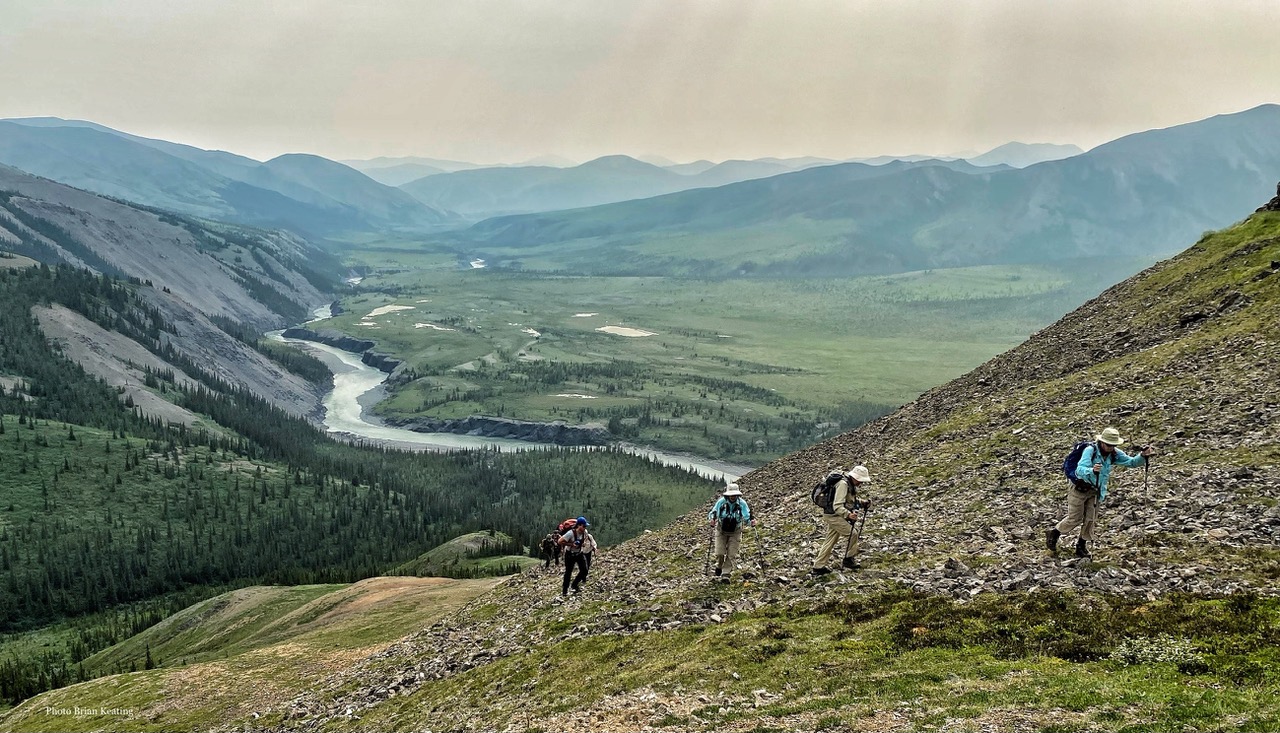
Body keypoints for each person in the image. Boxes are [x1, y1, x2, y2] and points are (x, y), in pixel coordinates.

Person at [1047, 427, 1155, 558]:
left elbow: (1130, 462)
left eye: (1113, 445)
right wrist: (1091, 470)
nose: (1111, 447)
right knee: (1075, 518)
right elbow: (1080, 469)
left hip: (1096, 490)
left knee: (1090, 519)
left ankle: (1081, 546)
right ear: (1102, 442)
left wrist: (1142, 456)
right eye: (1109, 445)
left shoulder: (1114, 453)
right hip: (1079, 488)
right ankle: (1055, 533)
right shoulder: (1089, 450)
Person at [811, 465, 871, 575]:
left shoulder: (848, 483)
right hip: (834, 516)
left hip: (831, 514)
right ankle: (849, 559)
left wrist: (862, 502)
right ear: (856, 478)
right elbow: (837, 506)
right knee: (853, 533)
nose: (861, 483)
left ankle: (818, 567)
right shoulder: (843, 484)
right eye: (860, 480)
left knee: (830, 540)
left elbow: (849, 500)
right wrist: (848, 515)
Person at [706, 483, 753, 577]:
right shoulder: (721, 502)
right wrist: (712, 519)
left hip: (736, 531)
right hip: (721, 530)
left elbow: (747, 516)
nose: (733, 497)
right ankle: (719, 566)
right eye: (731, 495)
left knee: (732, 554)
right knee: (719, 553)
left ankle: (726, 573)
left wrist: (751, 522)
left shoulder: (742, 503)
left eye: (735, 495)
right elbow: (713, 512)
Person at [557, 516, 596, 595]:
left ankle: (574, 584)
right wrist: (571, 544)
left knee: (584, 570)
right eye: (584, 526)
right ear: (579, 525)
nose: (585, 528)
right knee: (568, 572)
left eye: (585, 526)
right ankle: (565, 591)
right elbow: (559, 541)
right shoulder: (571, 533)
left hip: (579, 553)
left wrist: (584, 544)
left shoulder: (585, 532)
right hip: (570, 554)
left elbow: (586, 538)